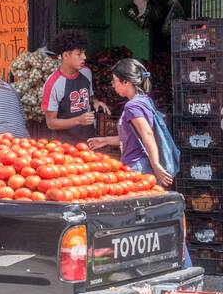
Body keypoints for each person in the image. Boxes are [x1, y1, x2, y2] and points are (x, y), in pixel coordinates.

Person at [87, 58, 175, 189]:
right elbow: (134, 137)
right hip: (141, 165)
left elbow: (147, 133)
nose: (113, 84)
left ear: (126, 82)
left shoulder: (132, 106)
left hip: (138, 167)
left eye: (114, 80)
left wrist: (156, 164)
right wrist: (105, 140)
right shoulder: (144, 100)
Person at [41, 30, 109, 144]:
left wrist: (95, 102)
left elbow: (89, 96)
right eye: (79, 54)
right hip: (66, 145)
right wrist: (78, 120)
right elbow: (51, 123)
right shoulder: (53, 84)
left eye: (84, 53)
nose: (84, 57)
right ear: (66, 55)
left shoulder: (87, 72)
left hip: (90, 140)